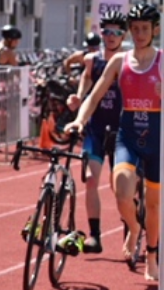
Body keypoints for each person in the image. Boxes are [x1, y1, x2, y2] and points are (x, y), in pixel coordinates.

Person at [66, 3, 161, 281]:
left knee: (154, 205)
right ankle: (133, 226)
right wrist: (80, 120)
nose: (140, 33)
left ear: (155, 30)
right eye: (136, 28)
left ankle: (152, 257)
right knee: (122, 193)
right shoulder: (120, 61)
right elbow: (94, 96)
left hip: (157, 137)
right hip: (128, 135)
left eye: (145, 28)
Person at [65, 11, 126, 254]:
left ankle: (132, 226)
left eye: (116, 32)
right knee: (91, 181)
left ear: (124, 35)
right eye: (106, 31)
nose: (110, 37)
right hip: (96, 129)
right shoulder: (93, 60)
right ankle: (94, 235)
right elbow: (85, 85)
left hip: (123, 131)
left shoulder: (128, 61)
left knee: (121, 188)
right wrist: (77, 98)